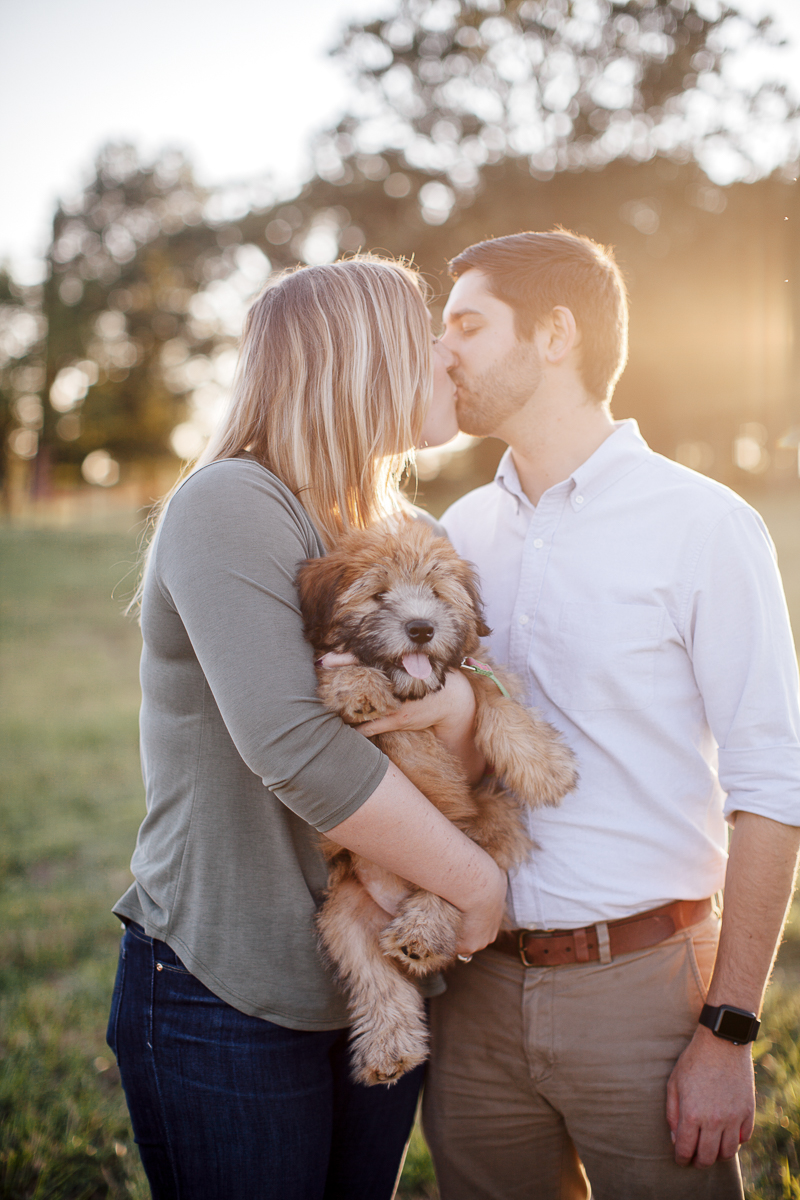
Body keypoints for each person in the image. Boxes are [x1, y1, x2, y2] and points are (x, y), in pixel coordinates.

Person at [105, 256, 507, 1200]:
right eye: (427, 342)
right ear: (363, 364)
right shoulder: (231, 504)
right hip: (225, 990)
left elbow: (459, 722)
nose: (449, 357)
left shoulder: (404, 525)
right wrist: (473, 884)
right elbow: (294, 746)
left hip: (374, 981)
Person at [417, 230, 800, 1198]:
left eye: (465, 322)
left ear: (553, 334)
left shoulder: (702, 525)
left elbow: (770, 785)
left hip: (644, 993)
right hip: (472, 991)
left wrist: (725, 1033)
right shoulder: (456, 532)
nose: (440, 349)